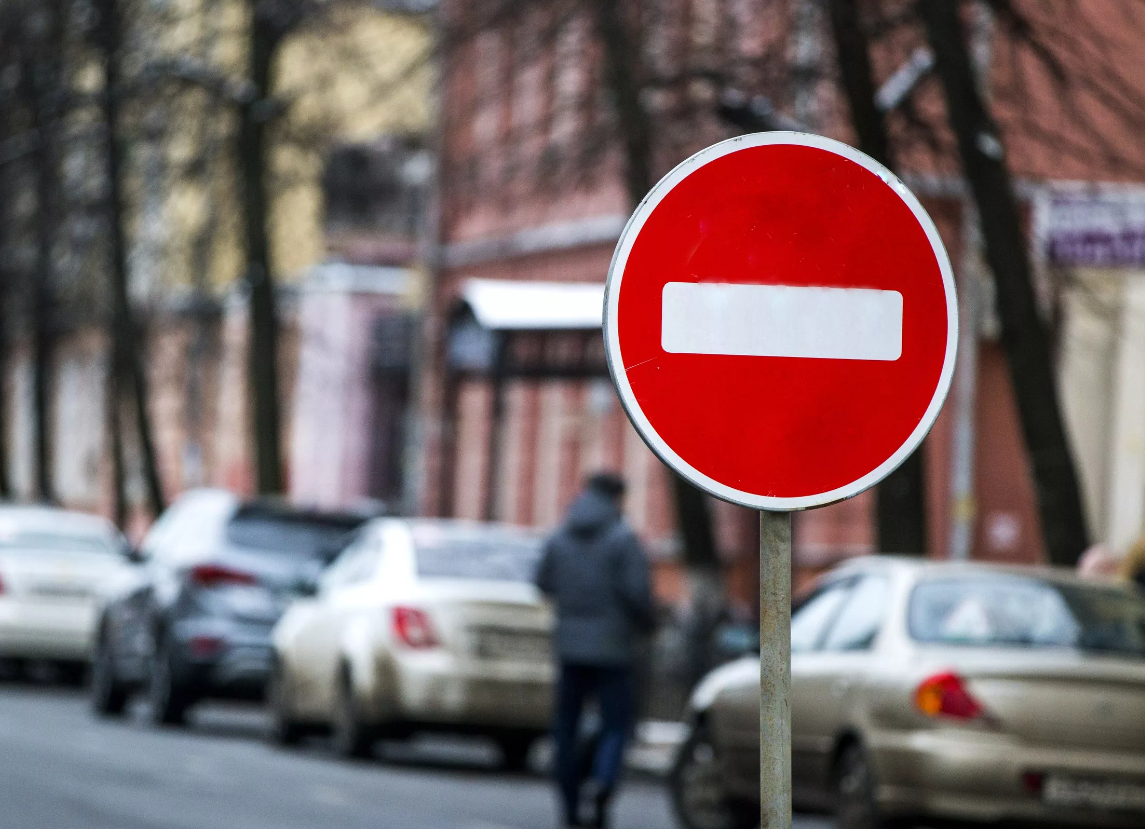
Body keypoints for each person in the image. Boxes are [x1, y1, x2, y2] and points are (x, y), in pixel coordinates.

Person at [536, 472, 657, 829]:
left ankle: (570, 806)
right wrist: (649, 625)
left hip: (569, 647)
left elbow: (542, 582)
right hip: (614, 648)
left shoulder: (559, 536)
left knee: (565, 729)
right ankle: (603, 782)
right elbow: (638, 594)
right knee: (616, 725)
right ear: (618, 498)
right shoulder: (623, 539)